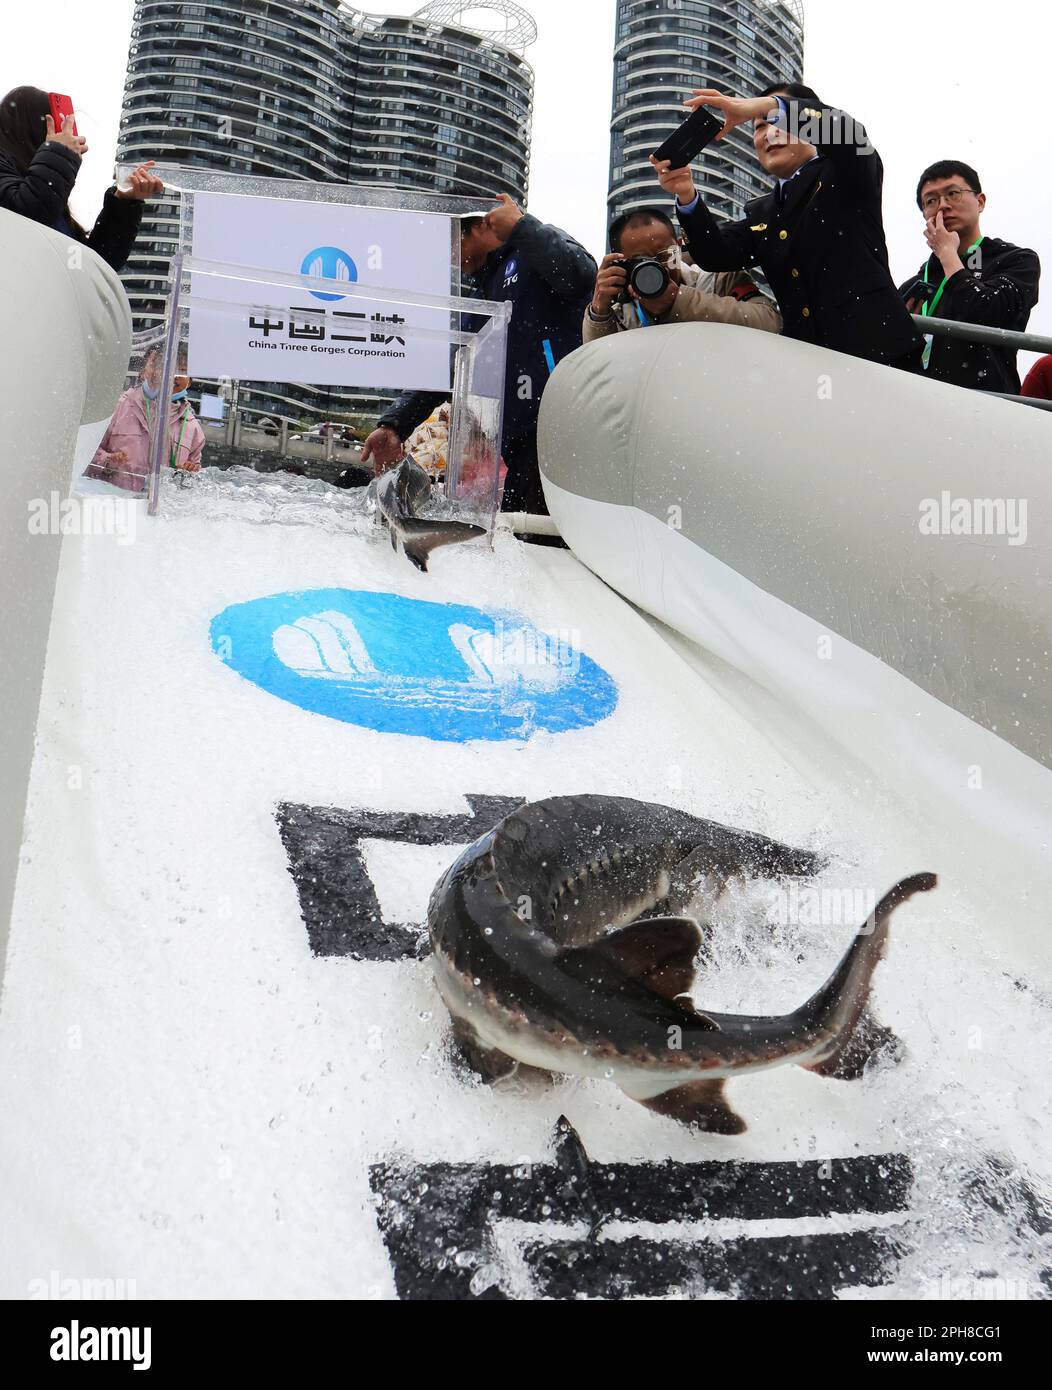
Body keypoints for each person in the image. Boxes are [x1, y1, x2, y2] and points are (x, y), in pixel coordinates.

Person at [651, 83, 924, 371]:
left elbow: (848, 133)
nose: (769, 133)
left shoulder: (846, 170)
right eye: (758, 127)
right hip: (810, 365)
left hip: (878, 356)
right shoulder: (763, 211)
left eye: (776, 120)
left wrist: (761, 106)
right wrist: (686, 196)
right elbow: (714, 254)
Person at [362, 194, 596, 518]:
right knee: (520, 545)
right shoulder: (483, 294)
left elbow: (583, 274)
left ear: (480, 226)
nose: (452, 258)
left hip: (562, 426)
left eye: (453, 243)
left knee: (547, 544)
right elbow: (449, 369)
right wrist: (394, 425)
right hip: (519, 446)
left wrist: (521, 227)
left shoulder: (531, 252)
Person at [899, 161, 1040, 395]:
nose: (942, 206)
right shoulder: (916, 284)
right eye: (930, 201)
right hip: (919, 401)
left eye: (952, 194)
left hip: (987, 402)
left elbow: (984, 311)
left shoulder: (1016, 260)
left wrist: (948, 255)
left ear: (980, 201)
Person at [0, 85, 161, 274]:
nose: (72, 137)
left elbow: (91, 268)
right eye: (61, 126)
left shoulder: (46, 192)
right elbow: (25, 221)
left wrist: (124, 202)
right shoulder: (36, 186)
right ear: (37, 127)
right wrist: (57, 153)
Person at [585, 206, 781, 343]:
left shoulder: (719, 279)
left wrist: (678, 302)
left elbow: (771, 323)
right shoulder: (617, 310)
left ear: (678, 247)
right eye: (641, 261)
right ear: (622, 263)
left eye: (665, 255)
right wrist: (599, 312)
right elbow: (596, 369)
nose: (657, 267)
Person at [85, 346, 205, 493]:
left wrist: (187, 474)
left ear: (190, 381)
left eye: (182, 370)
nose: (173, 374)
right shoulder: (116, 407)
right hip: (113, 503)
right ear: (142, 372)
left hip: (158, 512)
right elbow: (84, 454)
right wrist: (107, 461)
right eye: (160, 365)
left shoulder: (193, 429)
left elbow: (192, 484)